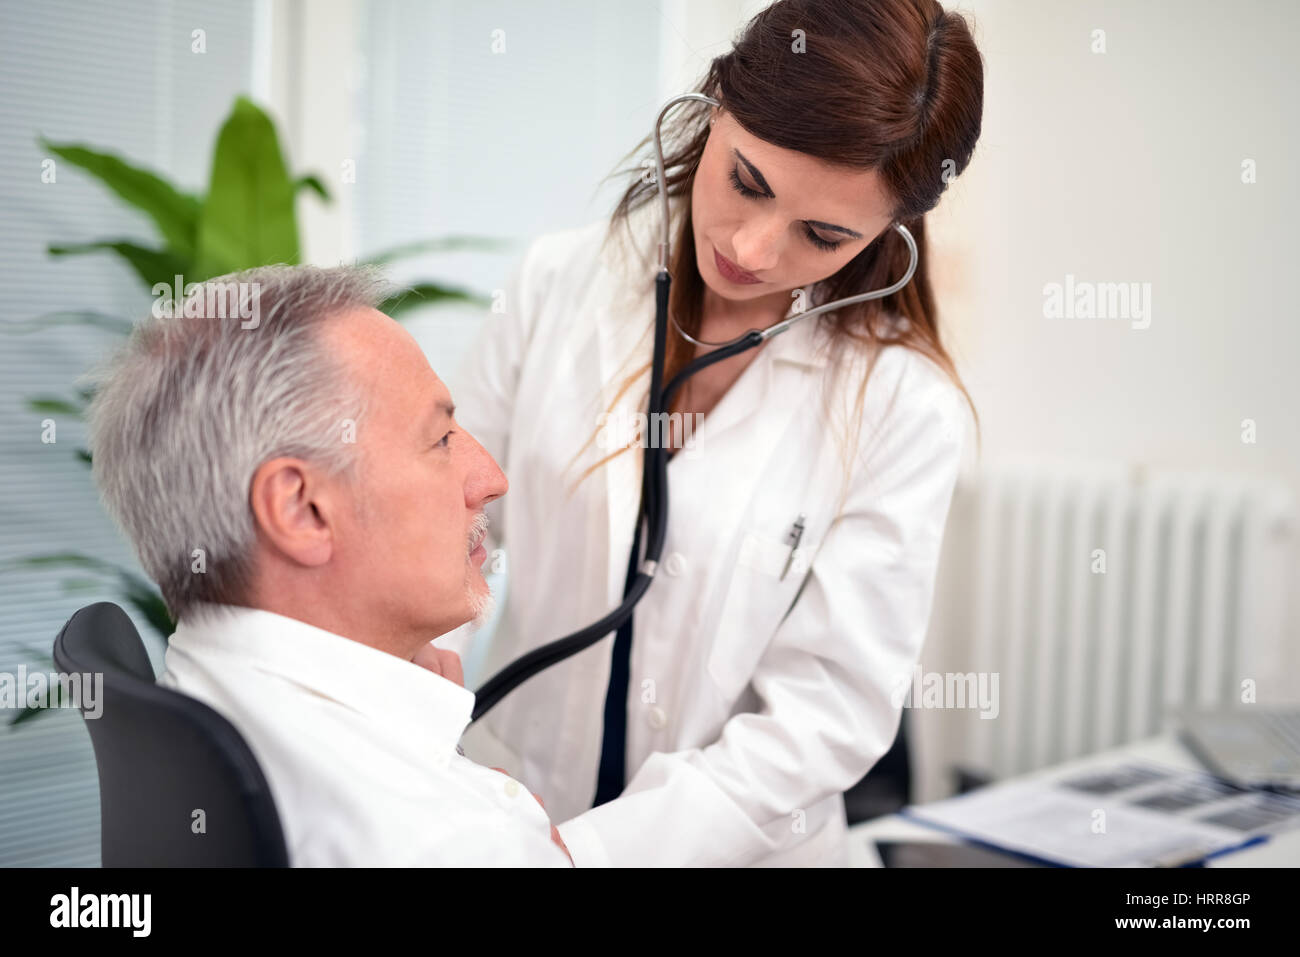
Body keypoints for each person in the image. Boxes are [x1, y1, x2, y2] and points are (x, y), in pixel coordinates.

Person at [445, 0, 985, 866]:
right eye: (747, 181)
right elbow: (444, 529)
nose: (755, 249)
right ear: (712, 108)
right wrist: (403, 705)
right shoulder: (556, 284)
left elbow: (824, 717)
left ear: (889, 235)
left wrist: (593, 854)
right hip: (506, 807)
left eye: (823, 235)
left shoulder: (901, 407)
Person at [87, 265, 571, 867]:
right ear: (302, 509)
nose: (490, 481)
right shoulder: (446, 844)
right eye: (441, 440)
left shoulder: (198, 684)